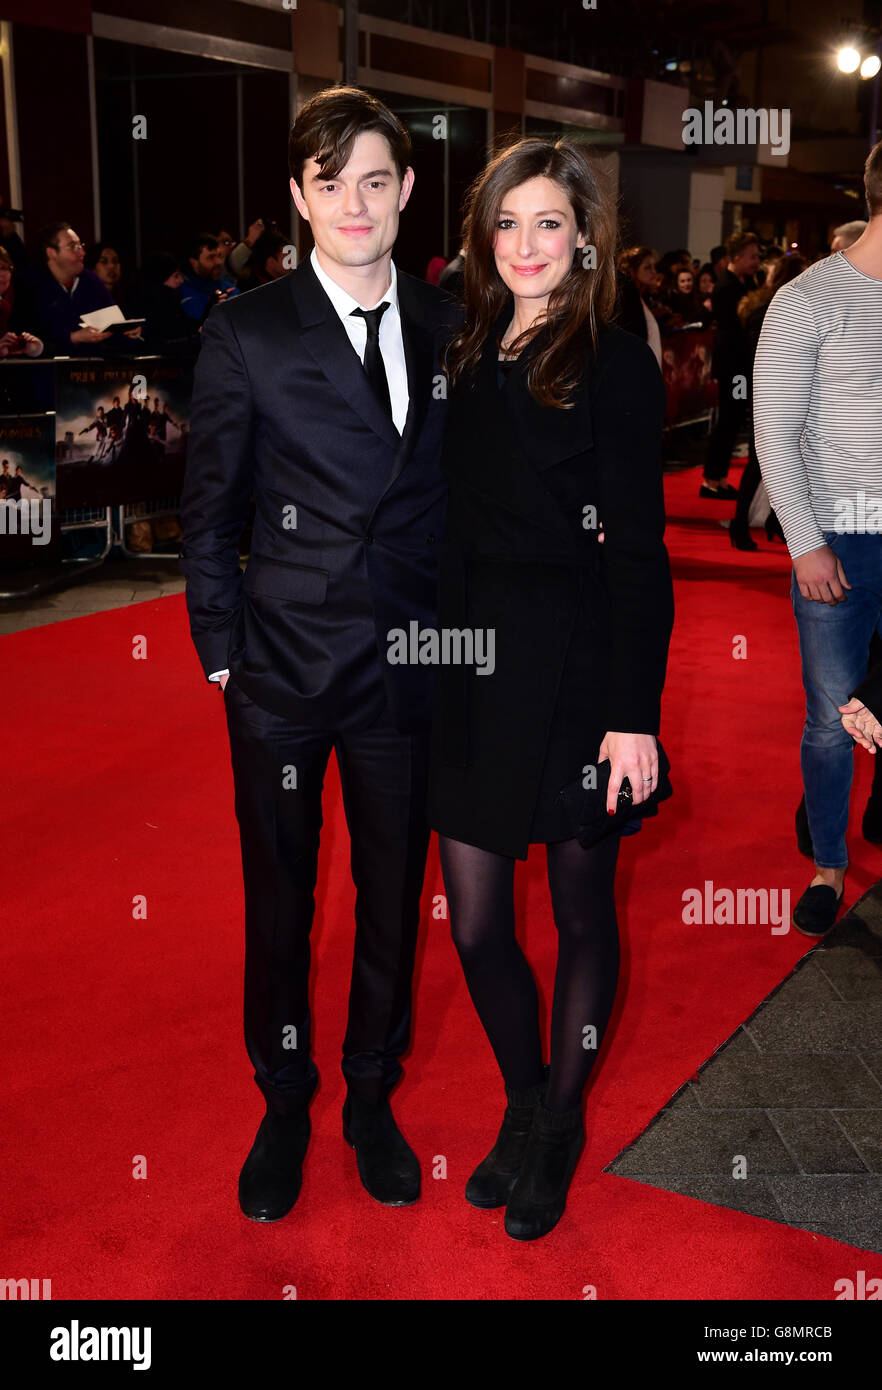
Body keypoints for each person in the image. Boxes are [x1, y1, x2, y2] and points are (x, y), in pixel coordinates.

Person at [179, 85, 458, 1223]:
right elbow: (210, 512)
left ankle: (372, 1094)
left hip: (408, 670)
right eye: (331, 181)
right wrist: (222, 655)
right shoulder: (246, 330)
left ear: (405, 192)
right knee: (281, 899)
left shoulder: (452, 324)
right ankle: (285, 1097)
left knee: (394, 896)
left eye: (377, 180)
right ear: (297, 197)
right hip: (285, 670)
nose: (357, 203)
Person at [427, 138, 674, 1241]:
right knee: (477, 919)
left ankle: (560, 1121)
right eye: (506, 224)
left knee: (581, 911)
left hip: (580, 656)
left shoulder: (614, 360)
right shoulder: (463, 340)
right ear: (487, 240)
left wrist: (636, 713)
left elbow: (639, 551)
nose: (525, 244)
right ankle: (524, 1098)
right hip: (472, 657)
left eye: (546, 223)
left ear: (583, 238)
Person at [754, 138, 882, 936]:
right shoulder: (809, 298)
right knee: (832, 717)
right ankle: (828, 865)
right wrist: (803, 540)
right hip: (840, 536)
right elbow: (773, 427)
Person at [727, 252, 806, 551]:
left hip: (776, 394)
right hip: (774, 396)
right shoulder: (772, 312)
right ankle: (740, 523)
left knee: (777, 462)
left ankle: (772, 519)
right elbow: (761, 359)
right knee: (760, 464)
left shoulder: (767, 308)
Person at [700, 231, 761, 498]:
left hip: (740, 367)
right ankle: (711, 480)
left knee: (733, 421)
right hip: (734, 368)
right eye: (752, 256)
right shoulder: (726, 286)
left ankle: (719, 478)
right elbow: (734, 328)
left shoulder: (745, 283)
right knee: (729, 420)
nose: (757, 261)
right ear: (736, 256)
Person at [614, 245, 661, 366]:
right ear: (632, 270)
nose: (653, 272)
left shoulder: (643, 298)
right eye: (647, 268)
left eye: (654, 267)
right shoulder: (625, 297)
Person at [179, 233, 239, 322]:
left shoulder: (227, 286)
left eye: (219, 256)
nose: (218, 262)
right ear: (194, 263)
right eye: (211, 257)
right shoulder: (184, 293)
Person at [0, 246, 43, 357]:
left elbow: (49, 341)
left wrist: (35, 348)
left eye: (4, 268)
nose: (1, 274)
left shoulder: (26, 299)